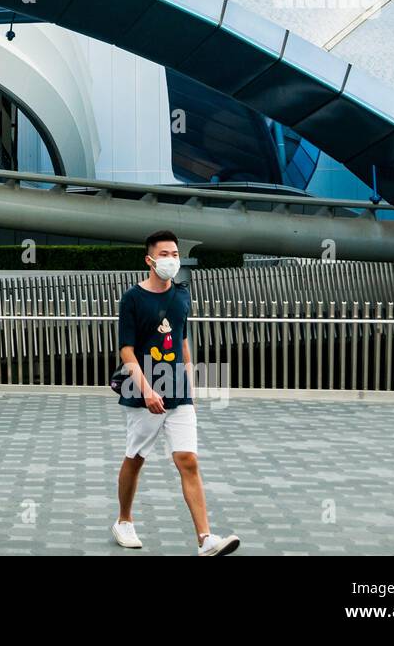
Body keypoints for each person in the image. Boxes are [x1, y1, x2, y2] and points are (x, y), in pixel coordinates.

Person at [111, 230, 239, 557]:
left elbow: (182, 344)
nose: (171, 259)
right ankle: (124, 520)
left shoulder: (182, 295)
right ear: (149, 260)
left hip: (178, 391)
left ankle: (205, 538)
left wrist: (190, 392)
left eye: (174, 253)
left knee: (188, 461)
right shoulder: (132, 298)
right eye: (164, 254)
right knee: (136, 459)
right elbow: (127, 352)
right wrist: (147, 391)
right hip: (142, 389)